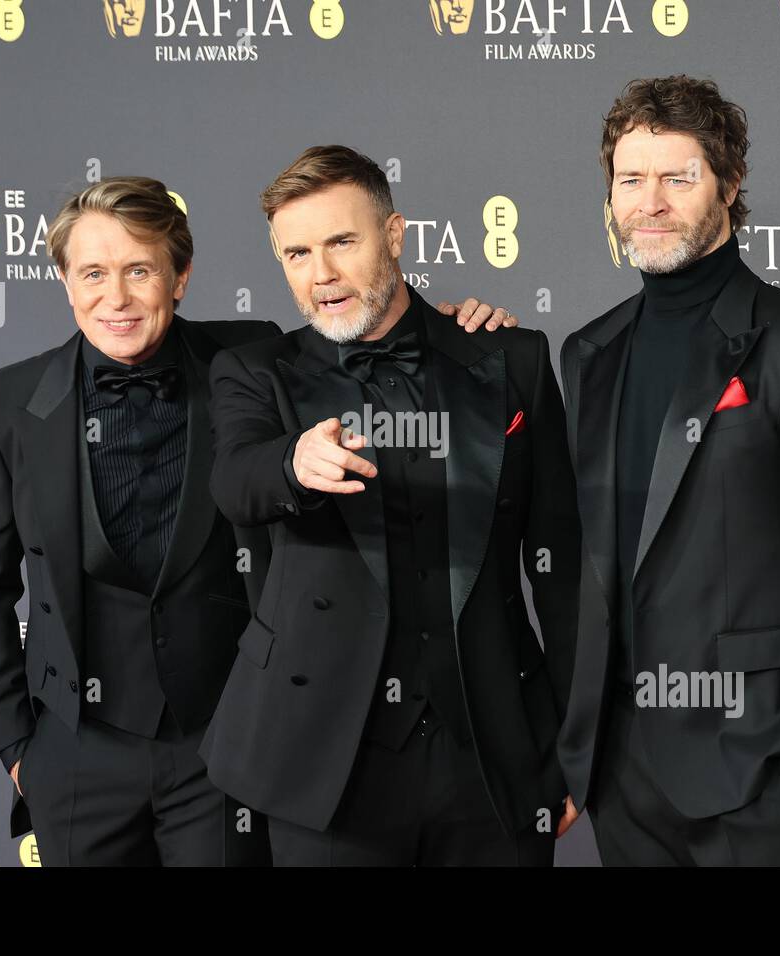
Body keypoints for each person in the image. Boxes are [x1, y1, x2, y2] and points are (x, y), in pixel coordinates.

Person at [0, 174, 512, 865]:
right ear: (65, 282)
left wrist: (459, 329)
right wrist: (15, 747)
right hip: (73, 754)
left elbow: (370, 339)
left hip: (224, 747)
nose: (116, 297)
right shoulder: (5, 402)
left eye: (140, 270)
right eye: (92, 272)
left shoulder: (254, 361)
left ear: (180, 276)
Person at [558, 76, 780, 866]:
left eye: (679, 178)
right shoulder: (587, 353)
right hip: (623, 779)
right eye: (630, 179)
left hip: (762, 778)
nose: (651, 202)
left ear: (730, 184)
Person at [200, 146, 581, 865]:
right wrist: (294, 461)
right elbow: (236, 481)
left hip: (492, 751)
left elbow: (562, 569)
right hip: (325, 765)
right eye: (297, 254)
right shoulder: (257, 370)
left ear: (396, 236)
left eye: (343, 242)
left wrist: (574, 741)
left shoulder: (508, 358)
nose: (322, 275)